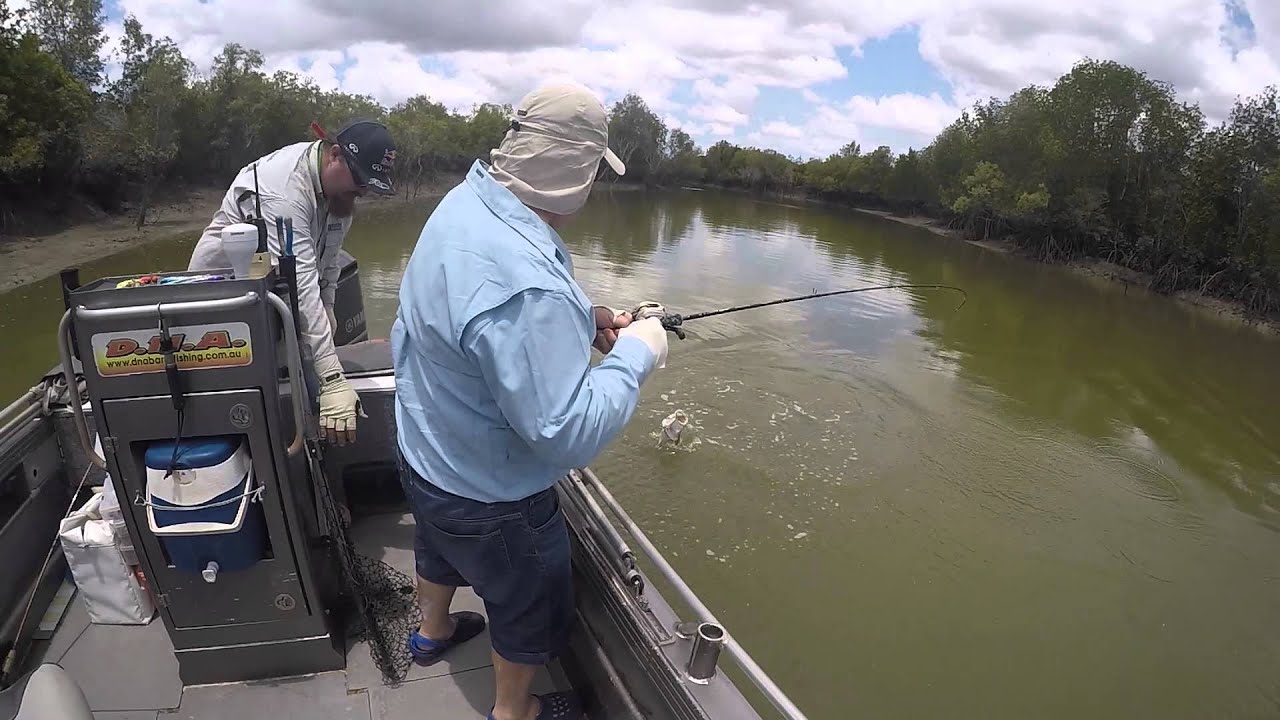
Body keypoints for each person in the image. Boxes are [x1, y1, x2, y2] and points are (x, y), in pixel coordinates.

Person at [390, 83, 670, 720]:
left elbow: (477, 325)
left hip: (424, 451)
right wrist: (638, 352)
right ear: (577, 170)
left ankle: (431, 634)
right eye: (596, 170)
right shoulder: (523, 283)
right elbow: (564, 431)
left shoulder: (466, 204)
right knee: (527, 601)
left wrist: (583, 320)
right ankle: (515, 712)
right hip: (490, 495)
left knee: (435, 544)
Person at [188, 119, 398, 446]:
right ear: (336, 156)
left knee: (300, 373)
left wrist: (329, 305)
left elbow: (328, 260)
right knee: (245, 396)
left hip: (275, 296)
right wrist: (331, 378)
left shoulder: (340, 195)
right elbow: (302, 283)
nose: (362, 190)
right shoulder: (283, 191)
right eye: (360, 179)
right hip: (221, 300)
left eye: (369, 184)